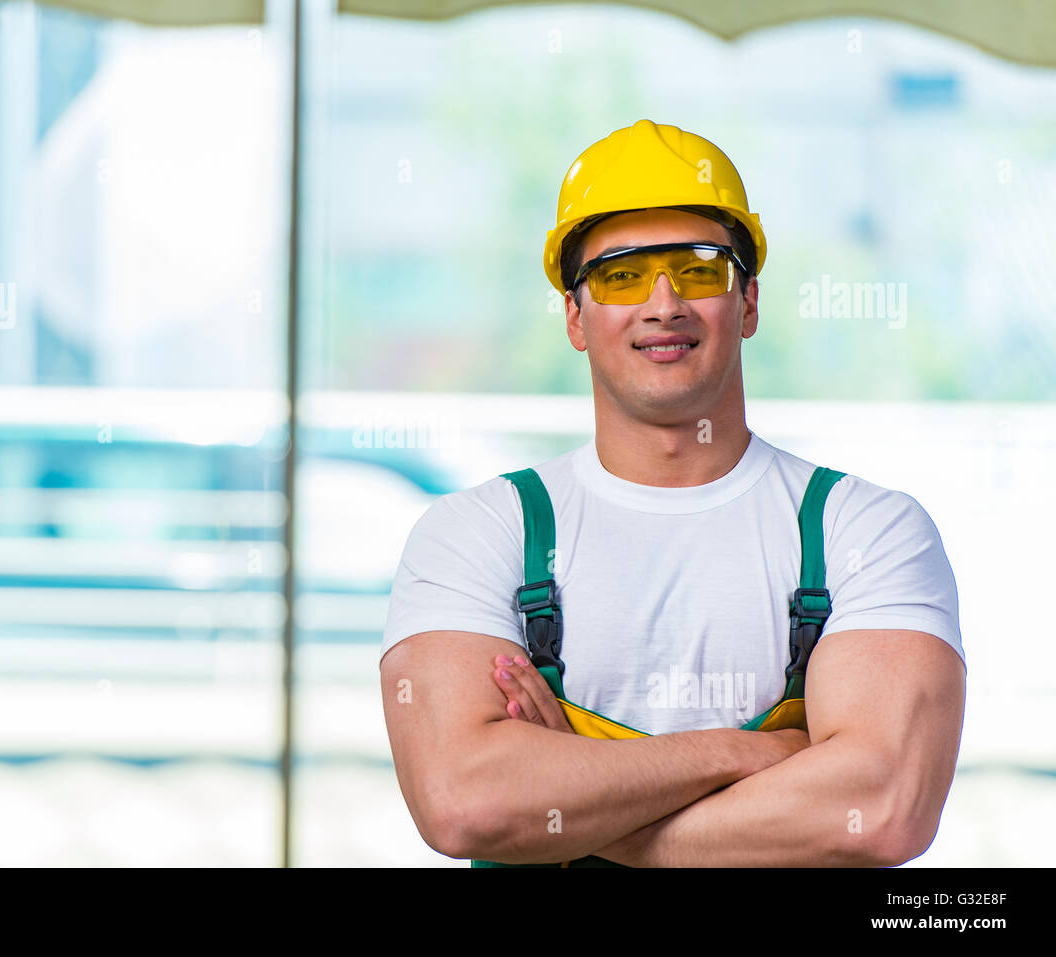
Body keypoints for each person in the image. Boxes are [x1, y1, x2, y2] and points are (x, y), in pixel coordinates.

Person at [377, 120, 966, 867]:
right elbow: (466, 802)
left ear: (748, 302)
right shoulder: (476, 533)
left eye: (697, 269)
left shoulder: (867, 531)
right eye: (622, 274)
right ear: (575, 316)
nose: (663, 304)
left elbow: (879, 809)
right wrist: (742, 753)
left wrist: (585, 801)